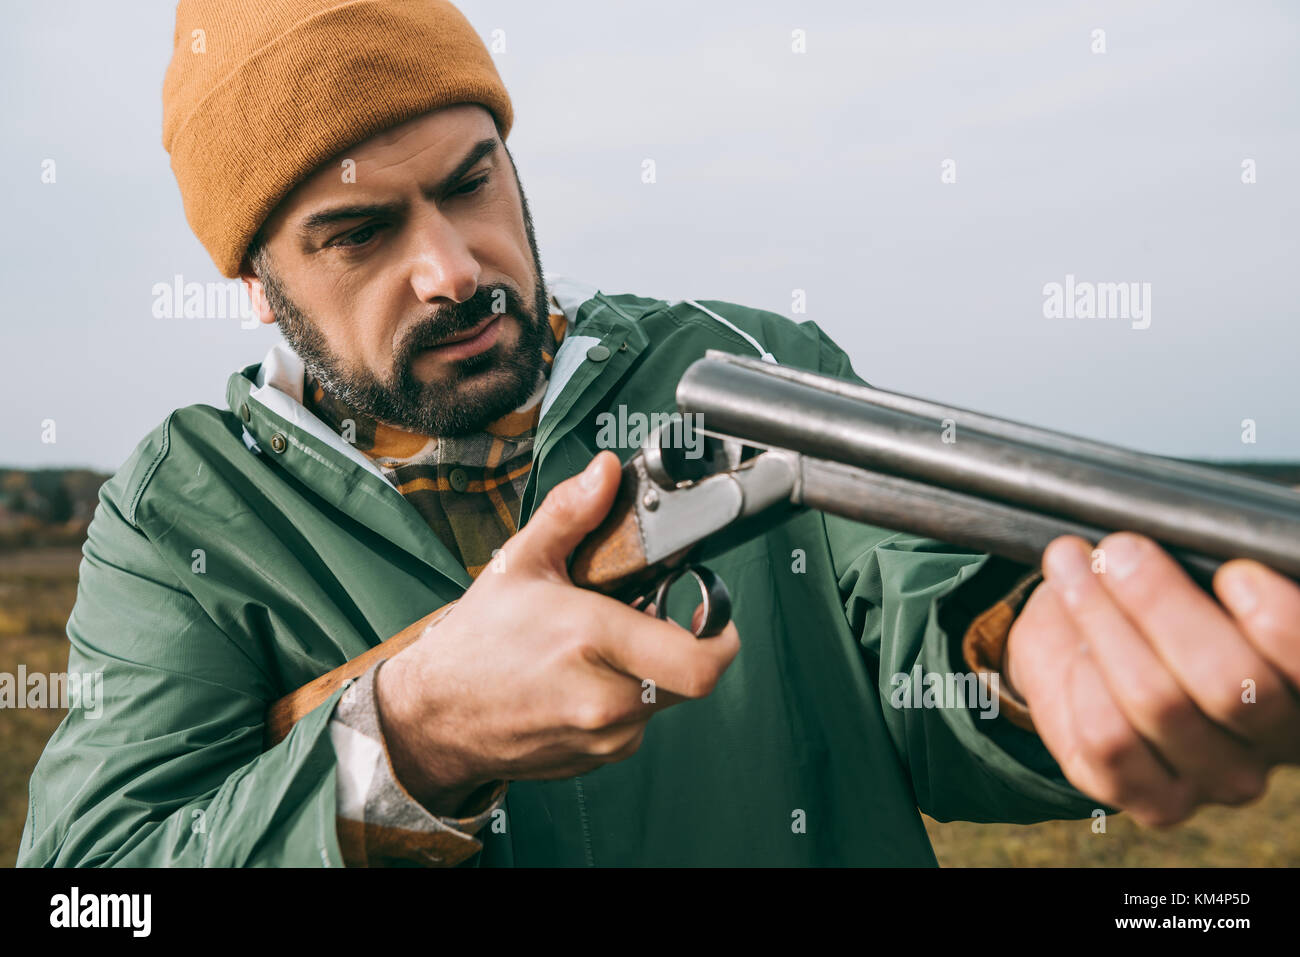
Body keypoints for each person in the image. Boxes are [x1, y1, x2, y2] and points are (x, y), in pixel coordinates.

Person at [20, 0, 1300, 867]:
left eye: (470, 182)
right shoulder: (179, 510)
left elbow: (924, 627)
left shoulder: (753, 368)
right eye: (359, 234)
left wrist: (1022, 656)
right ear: (256, 285)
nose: (453, 269)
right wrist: (409, 738)